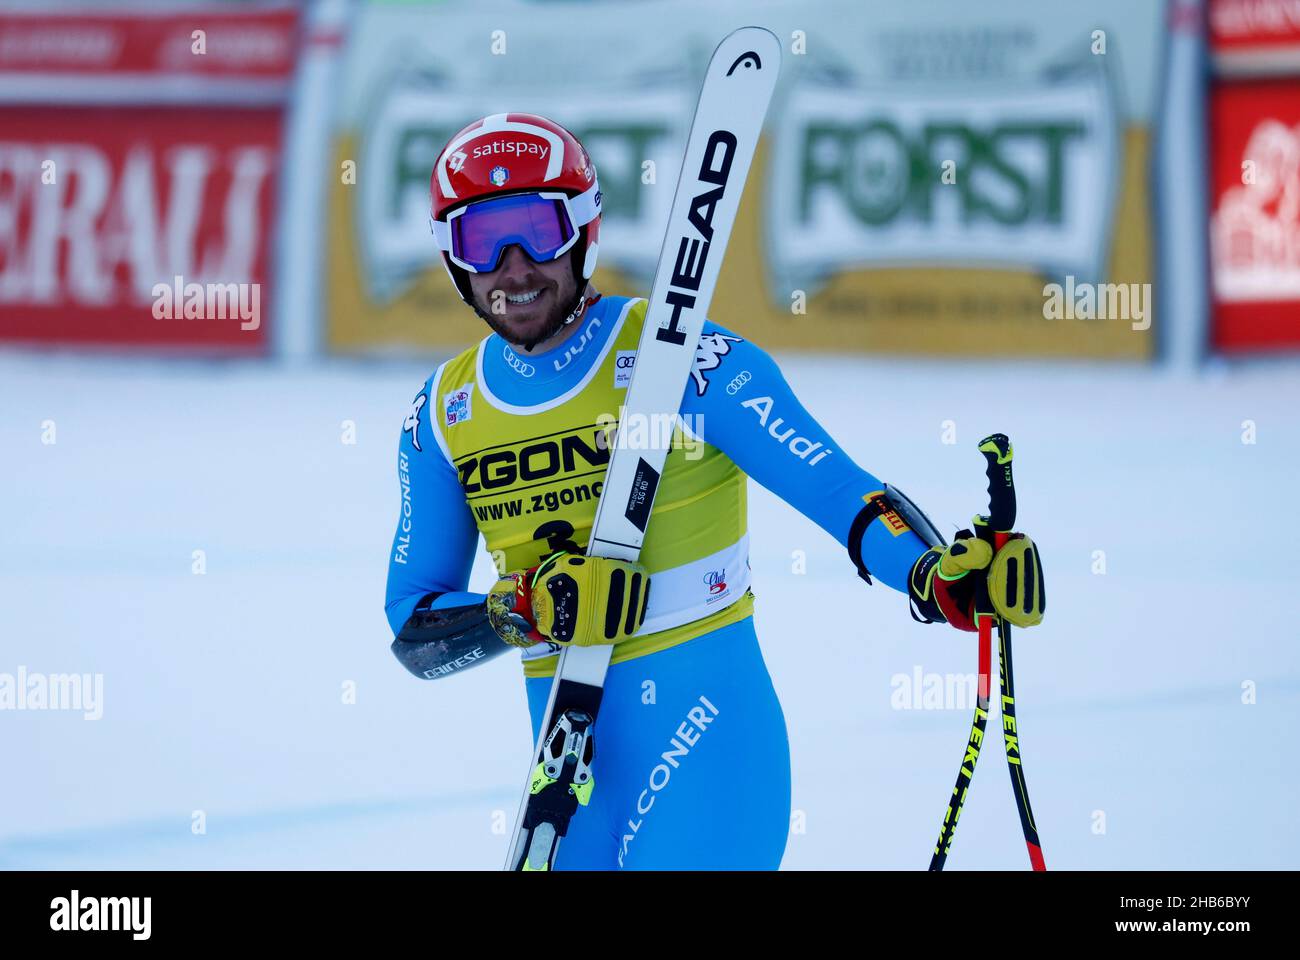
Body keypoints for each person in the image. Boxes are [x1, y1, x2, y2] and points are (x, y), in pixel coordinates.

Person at [384, 113, 1046, 870]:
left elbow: (835, 487)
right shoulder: (442, 415)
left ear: (584, 231)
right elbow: (415, 633)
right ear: (451, 258)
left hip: (709, 751)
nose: (514, 267)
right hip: (570, 789)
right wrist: (522, 609)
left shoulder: (687, 360)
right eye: (480, 241)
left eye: (537, 229)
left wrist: (934, 577)